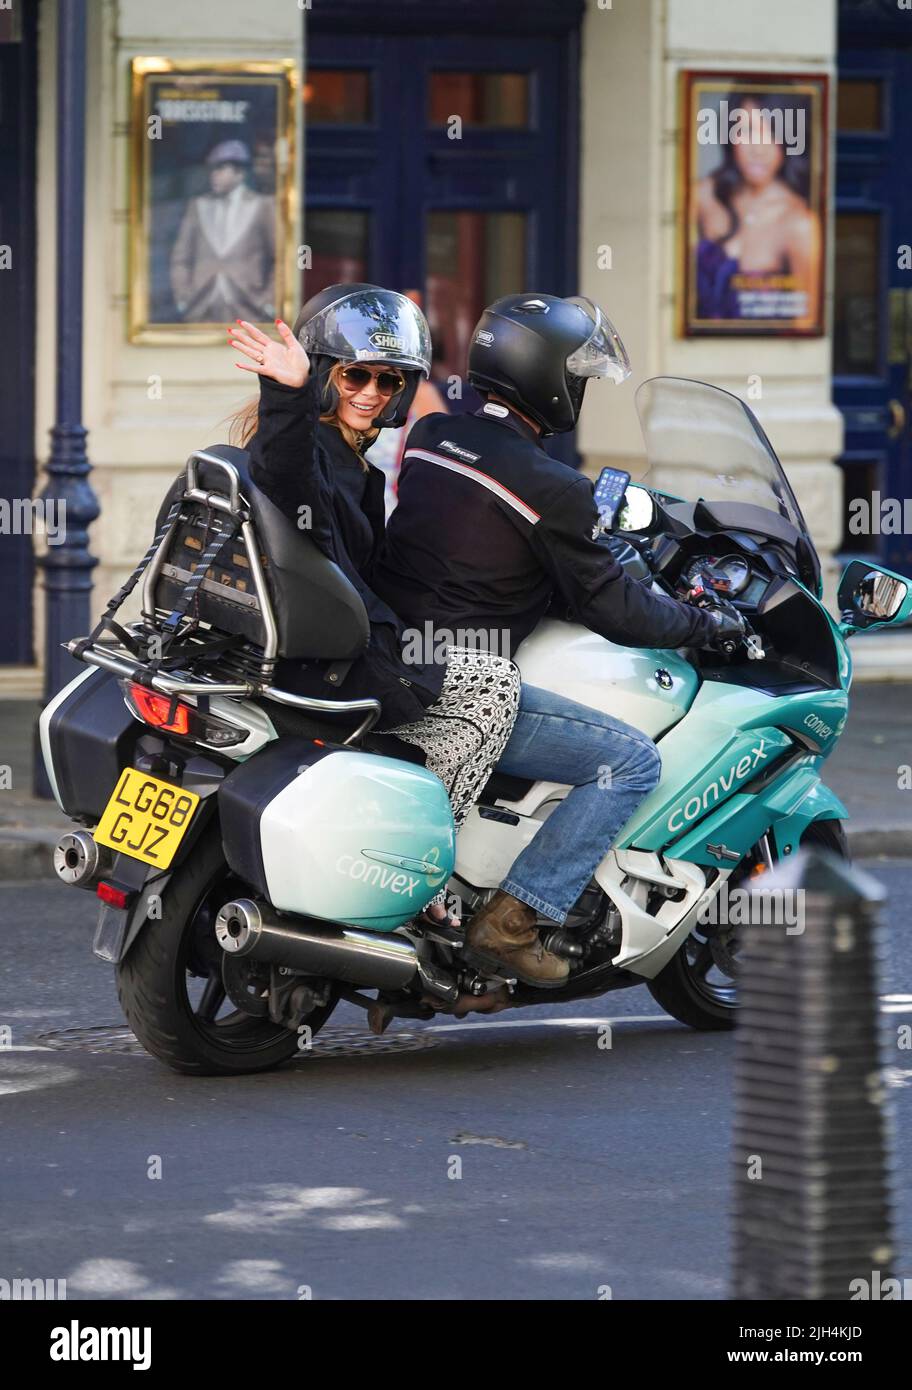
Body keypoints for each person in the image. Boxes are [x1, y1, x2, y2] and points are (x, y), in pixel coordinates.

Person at [371, 293, 743, 986]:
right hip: (458, 678)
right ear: (545, 376)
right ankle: (514, 919)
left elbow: (472, 544)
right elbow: (621, 613)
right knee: (629, 761)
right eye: (576, 375)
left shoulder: (430, 439)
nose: (580, 389)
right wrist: (707, 622)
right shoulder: (554, 488)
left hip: (391, 650)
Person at [226, 285, 521, 923]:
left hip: (321, 639)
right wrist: (289, 393)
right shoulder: (310, 450)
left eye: (389, 382)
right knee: (495, 685)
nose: (371, 393)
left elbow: (361, 563)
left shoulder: (353, 458)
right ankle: (425, 874)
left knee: (453, 689)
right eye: (355, 374)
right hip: (332, 657)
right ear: (326, 376)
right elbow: (287, 477)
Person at [695, 93, 821, 329]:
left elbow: (805, 324)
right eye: (748, 130)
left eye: (772, 133)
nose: (758, 149)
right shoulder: (706, 196)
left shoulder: (799, 224)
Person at [171, 140, 276, 323]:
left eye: (220, 169)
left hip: (249, 307)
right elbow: (181, 257)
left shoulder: (262, 205)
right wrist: (183, 297)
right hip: (200, 307)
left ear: (239, 173)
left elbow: (280, 258)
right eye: (212, 169)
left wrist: (268, 300)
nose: (214, 175)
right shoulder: (198, 206)